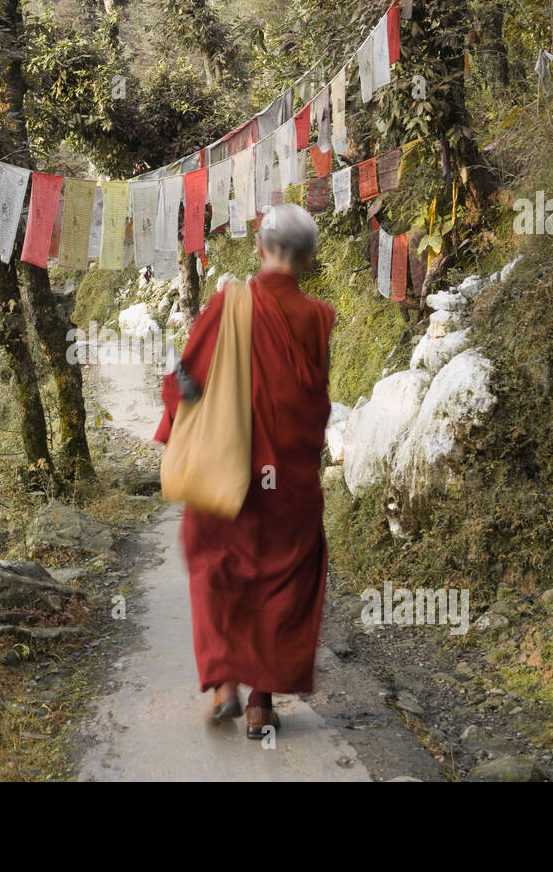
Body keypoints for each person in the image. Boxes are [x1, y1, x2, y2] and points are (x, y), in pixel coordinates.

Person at [154, 203, 334, 740]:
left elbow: (187, 377)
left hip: (228, 472)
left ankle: (223, 687)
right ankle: (261, 704)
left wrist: (173, 419)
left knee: (218, 568)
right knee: (280, 582)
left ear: (260, 248)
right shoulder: (319, 318)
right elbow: (312, 399)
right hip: (289, 483)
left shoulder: (229, 304)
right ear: (309, 259)